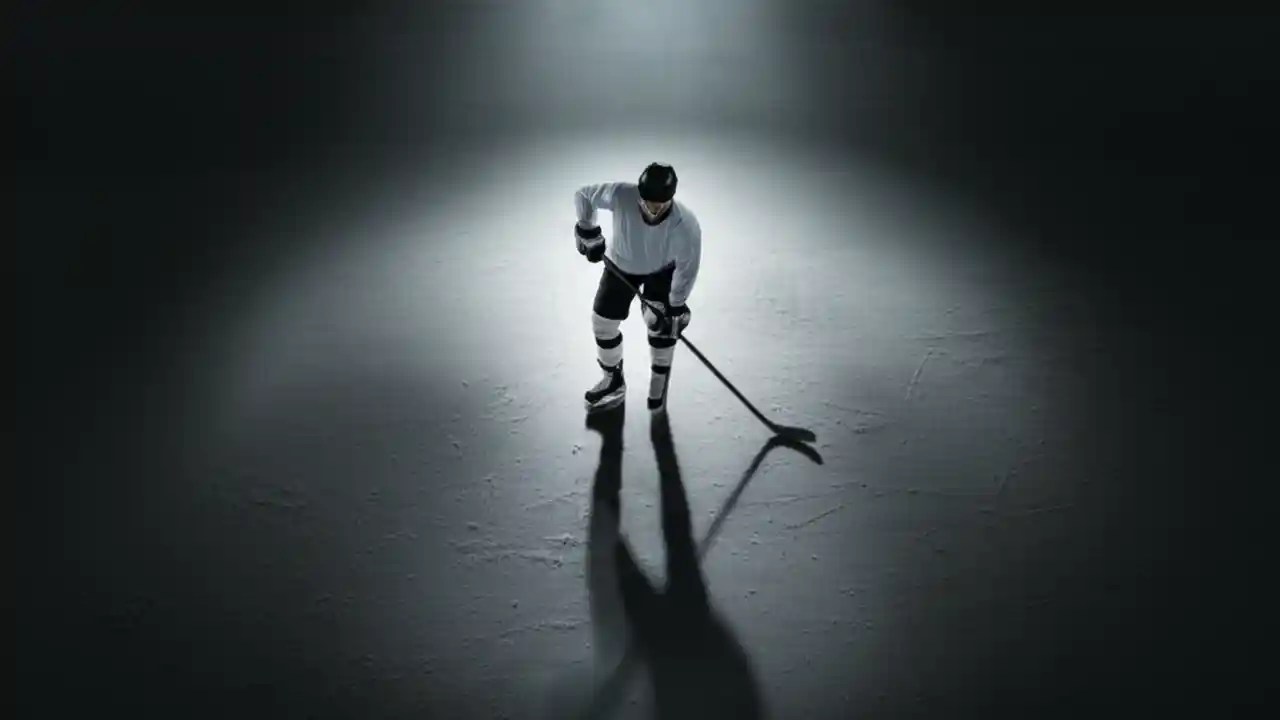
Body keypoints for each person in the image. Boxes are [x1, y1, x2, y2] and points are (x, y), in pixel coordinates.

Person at [574, 162, 702, 412]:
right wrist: (588, 230)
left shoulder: (685, 224)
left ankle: (659, 382)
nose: (654, 209)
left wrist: (676, 305)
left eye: (661, 203)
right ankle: (612, 380)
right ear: (640, 195)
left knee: (660, 325)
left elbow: (688, 266)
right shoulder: (621, 194)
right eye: (648, 202)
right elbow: (584, 195)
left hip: (661, 270)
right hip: (621, 264)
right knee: (602, 323)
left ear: (671, 199)